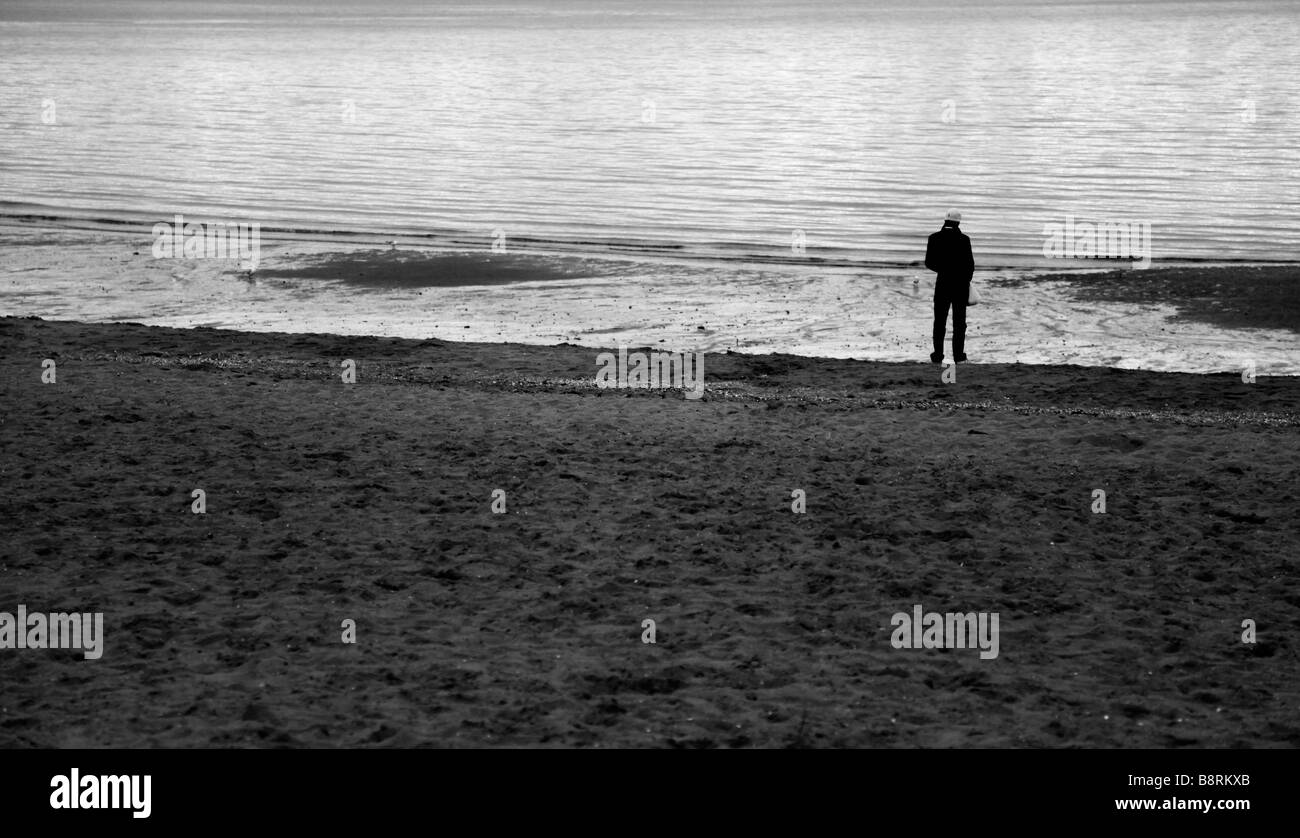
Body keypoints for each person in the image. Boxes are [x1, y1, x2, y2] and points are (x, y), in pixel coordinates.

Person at [924, 209, 974, 363]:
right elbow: (970, 265)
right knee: (959, 323)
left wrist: (943, 269)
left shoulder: (934, 238)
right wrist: (966, 280)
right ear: (958, 222)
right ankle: (958, 356)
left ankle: (938, 356)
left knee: (939, 321)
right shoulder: (964, 239)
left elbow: (929, 263)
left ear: (945, 220)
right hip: (960, 285)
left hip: (943, 284)